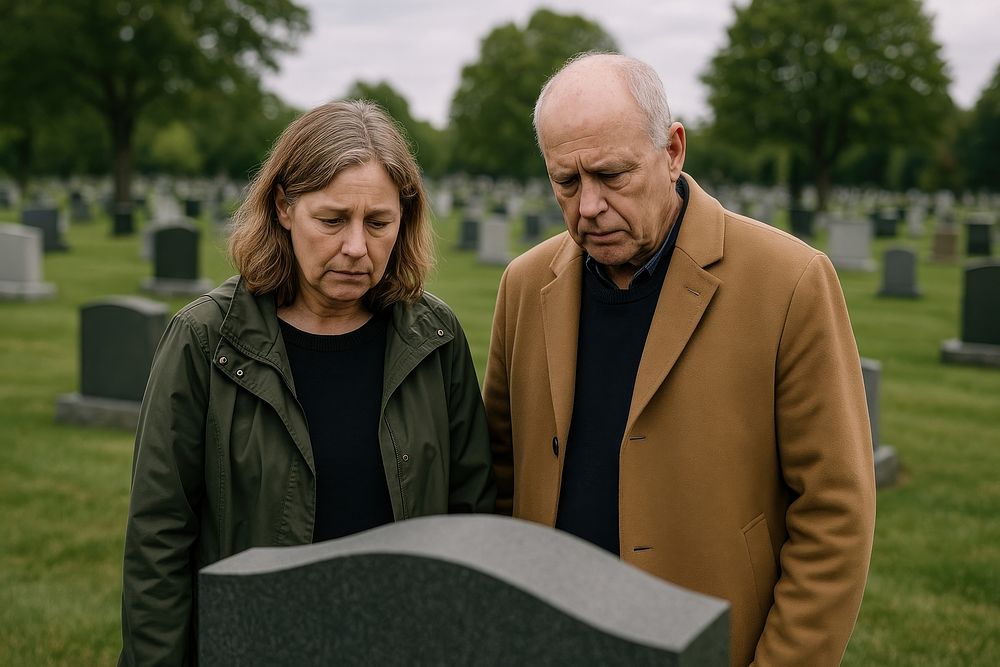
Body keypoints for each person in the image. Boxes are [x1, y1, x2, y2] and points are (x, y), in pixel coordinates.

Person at [484, 53, 875, 666]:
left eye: (612, 175)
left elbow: (834, 514)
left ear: (672, 151)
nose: (588, 206)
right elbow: (502, 479)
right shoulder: (524, 283)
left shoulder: (790, 281)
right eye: (566, 181)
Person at [120, 100, 496, 665]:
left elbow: (473, 512)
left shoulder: (434, 337)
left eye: (378, 223)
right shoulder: (204, 340)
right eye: (332, 219)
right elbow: (158, 539)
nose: (355, 247)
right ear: (284, 207)